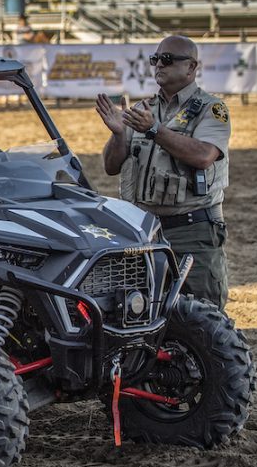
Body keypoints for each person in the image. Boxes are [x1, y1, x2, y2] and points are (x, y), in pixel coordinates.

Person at [95, 35, 231, 309]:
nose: (159, 64)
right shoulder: (144, 110)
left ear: (191, 68)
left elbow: (204, 155)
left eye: (167, 59)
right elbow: (111, 167)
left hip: (192, 230)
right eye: (155, 59)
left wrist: (154, 130)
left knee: (201, 312)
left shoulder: (211, 109)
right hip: (146, 230)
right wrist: (119, 134)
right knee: (144, 311)